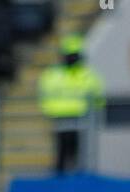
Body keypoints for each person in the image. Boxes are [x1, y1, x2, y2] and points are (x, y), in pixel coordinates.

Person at [38, 35, 105, 175]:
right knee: (62, 153)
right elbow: (44, 95)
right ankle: (61, 180)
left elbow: (98, 97)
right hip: (61, 119)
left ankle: (76, 179)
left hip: (81, 119)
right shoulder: (55, 75)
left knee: (79, 155)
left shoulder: (85, 75)